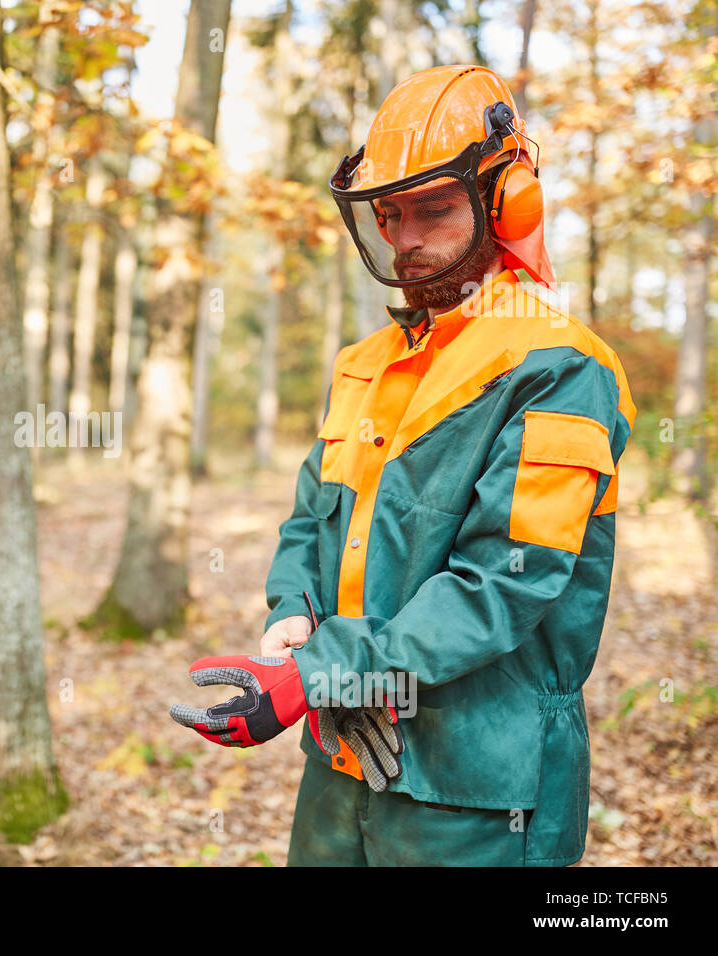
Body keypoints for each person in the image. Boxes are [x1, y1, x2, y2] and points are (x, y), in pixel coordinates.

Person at [170, 64, 636, 866]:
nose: (407, 238)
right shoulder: (365, 364)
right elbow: (312, 522)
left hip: (479, 785)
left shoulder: (559, 368)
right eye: (389, 214)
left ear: (506, 200)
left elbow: (505, 581)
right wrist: (296, 620)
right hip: (343, 753)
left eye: (434, 208)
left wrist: (318, 674)